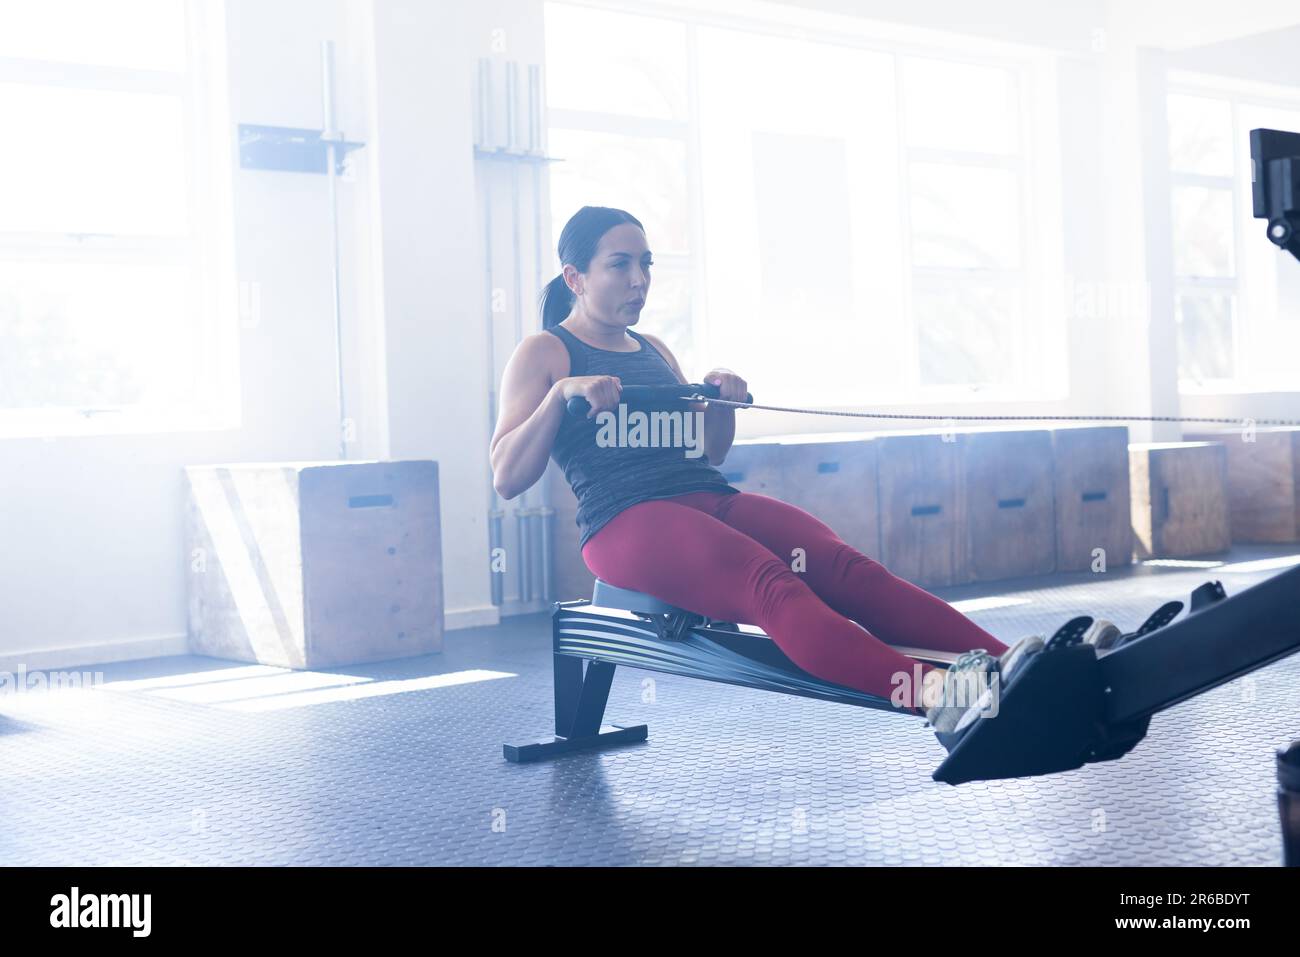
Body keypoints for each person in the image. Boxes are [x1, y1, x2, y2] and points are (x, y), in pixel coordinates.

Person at [489, 205, 1039, 722]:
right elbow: (508, 477)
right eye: (620, 265)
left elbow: (707, 453)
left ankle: (1018, 667)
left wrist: (722, 404)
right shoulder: (546, 352)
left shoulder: (653, 348)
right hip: (625, 520)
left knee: (848, 570)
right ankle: (943, 694)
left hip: (706, 497)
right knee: (771, 586)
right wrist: (560, 394)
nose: (639, 279)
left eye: (646, 264)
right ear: (575, 278)